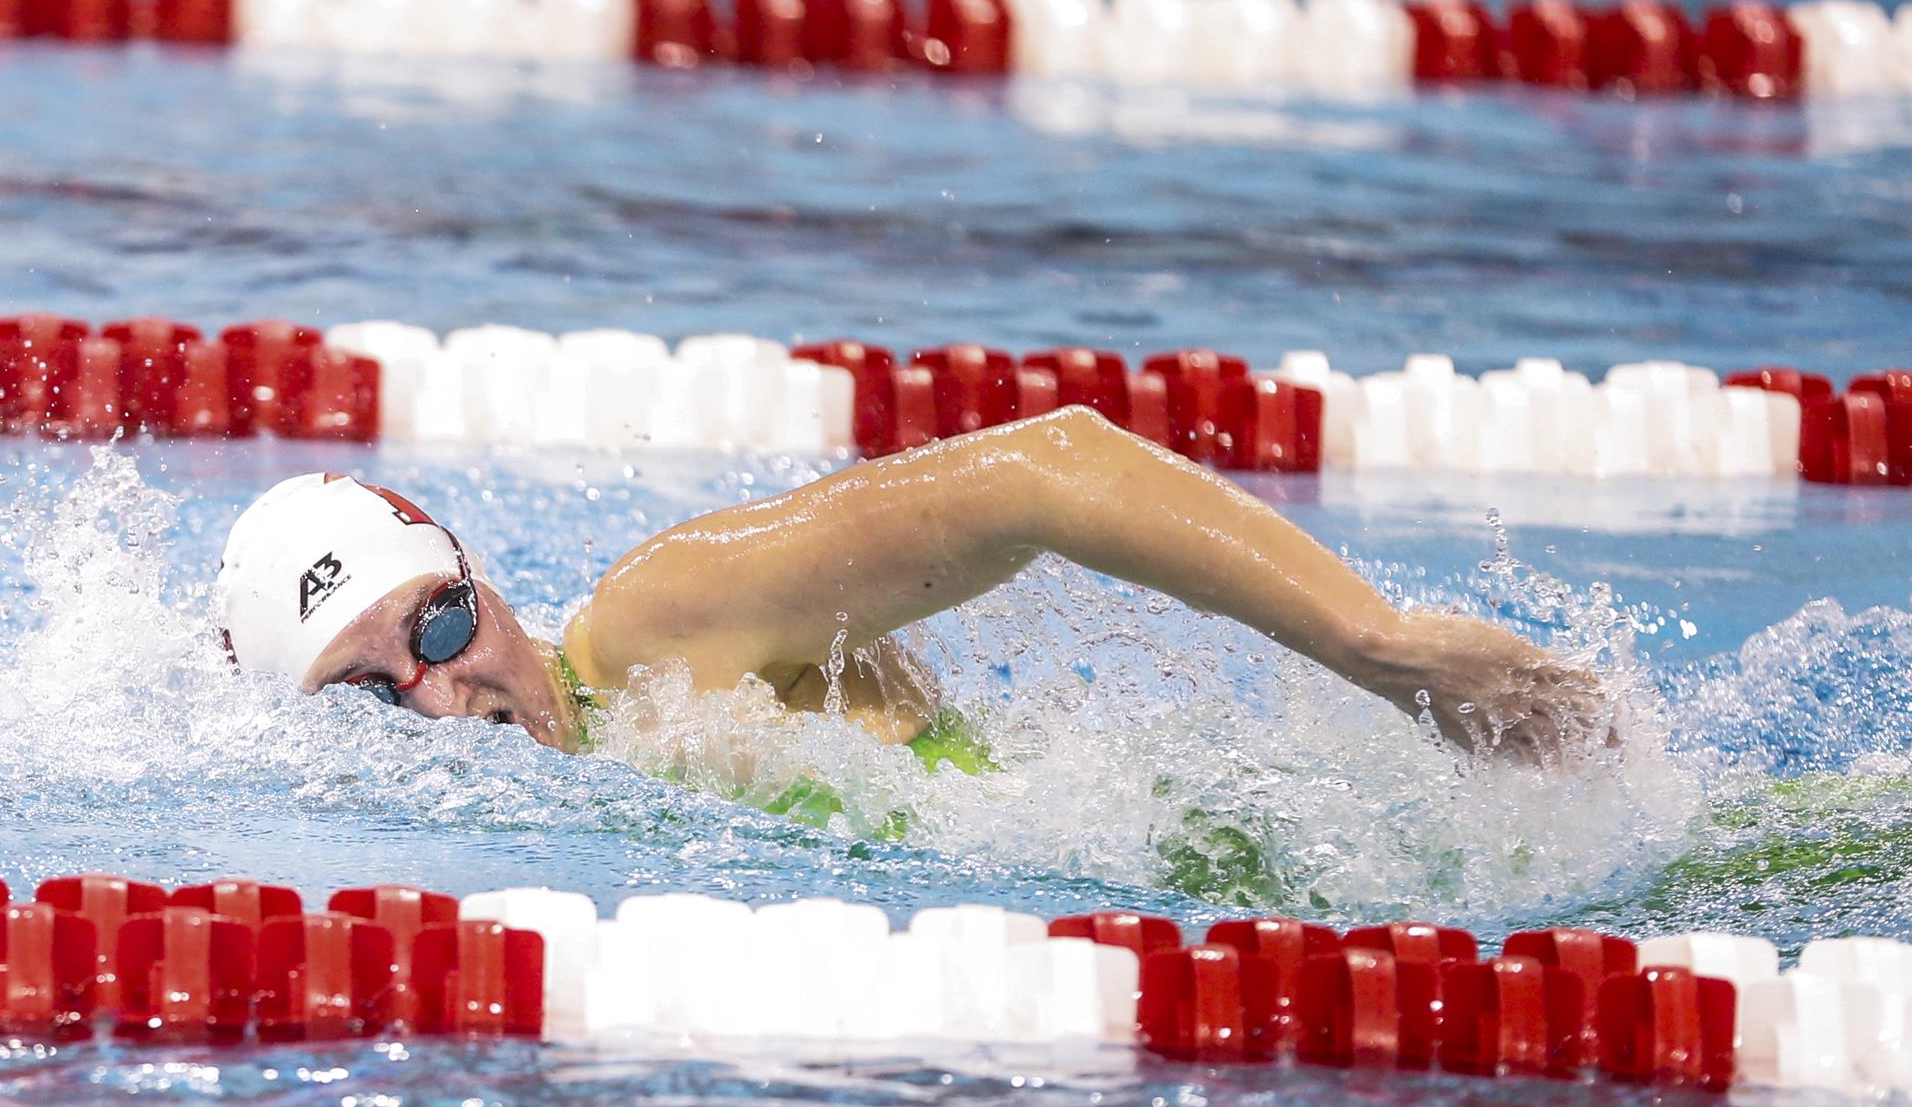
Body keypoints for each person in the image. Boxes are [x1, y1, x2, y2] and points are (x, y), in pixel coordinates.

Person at [219, 406, 1605, 767]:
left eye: (438, 623)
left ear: (476, 576)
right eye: (371, 695)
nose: (443, 695)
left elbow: (1048, 469)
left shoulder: (658, 629)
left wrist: (1376, 647)